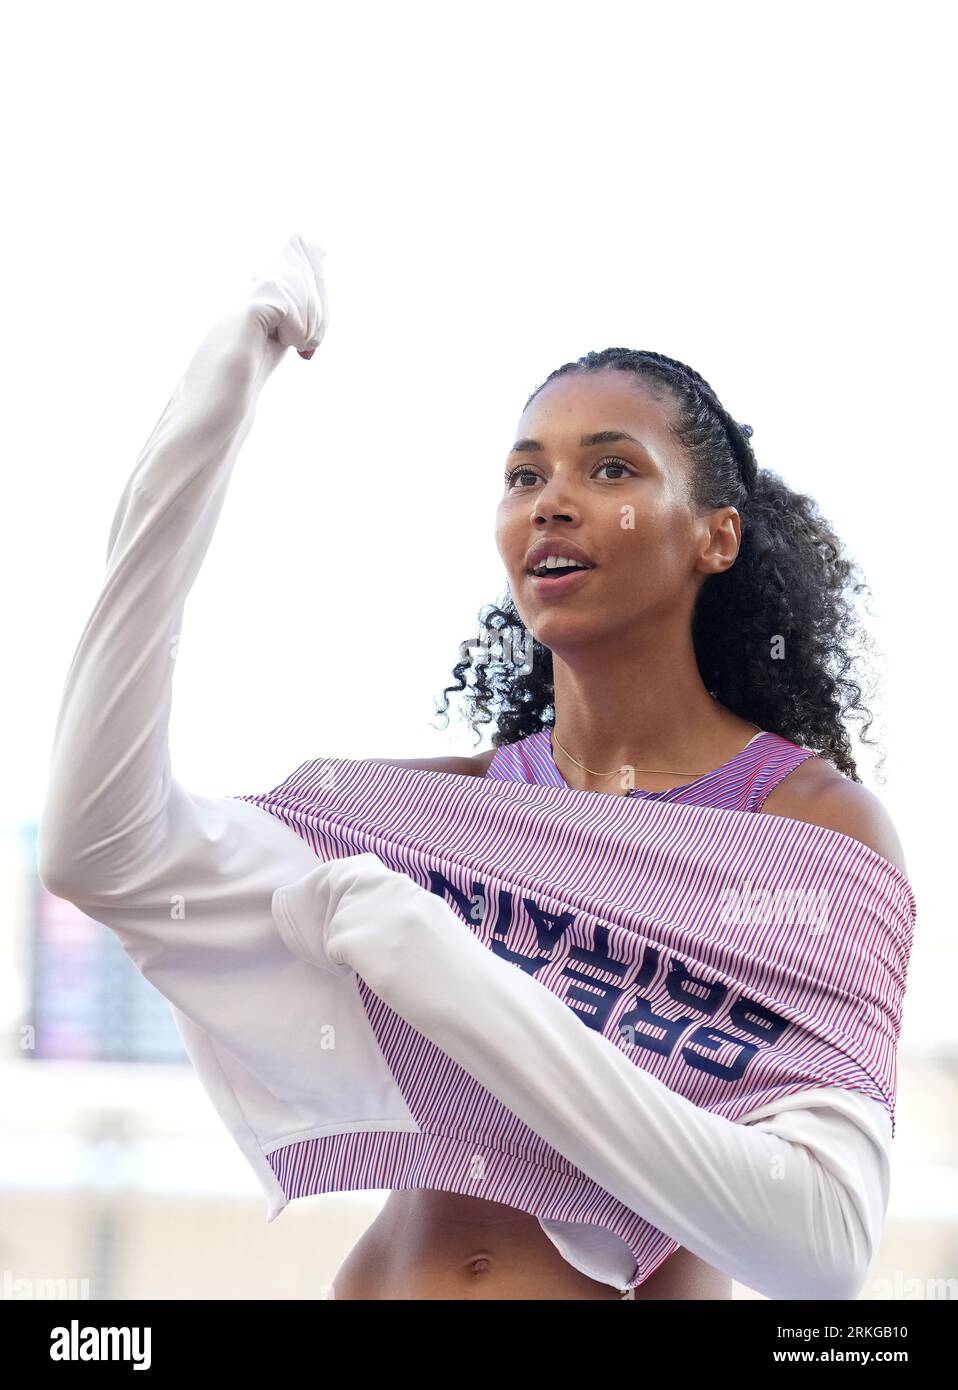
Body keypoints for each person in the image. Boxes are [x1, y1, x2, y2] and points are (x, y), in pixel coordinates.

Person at [37, 236, 908, 1301]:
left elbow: (817, 1247)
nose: (550, 499)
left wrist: (452, 977)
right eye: (524, 474)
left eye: (611, 468)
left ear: (713, 536)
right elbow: (106, 852)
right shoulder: (441, 815)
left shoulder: (808, 828)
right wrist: (214, 413)